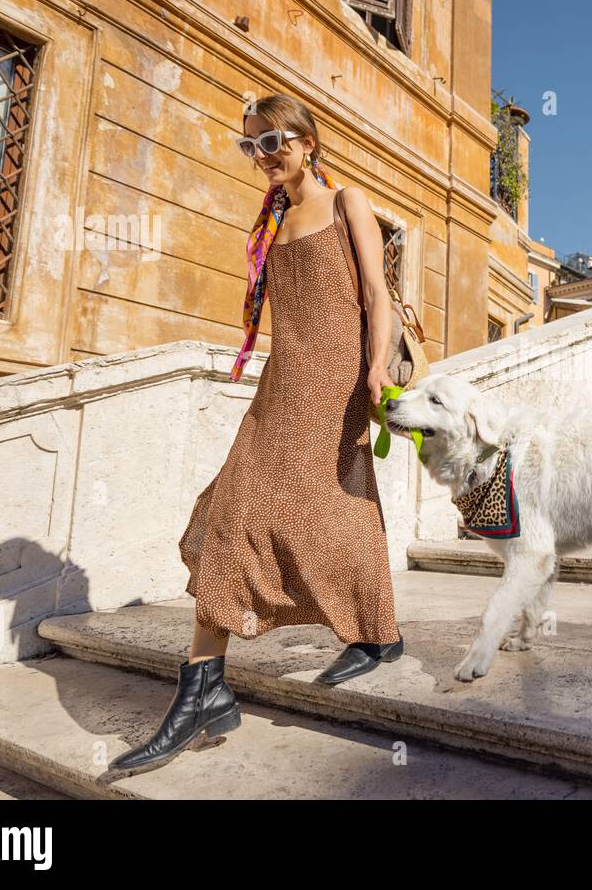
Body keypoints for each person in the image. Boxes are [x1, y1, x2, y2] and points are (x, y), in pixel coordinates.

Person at [109, 93, 405, 776]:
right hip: (283, 382)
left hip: (338, 379)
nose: (262, 156)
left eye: (273, 141)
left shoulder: (346, 201)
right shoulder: (269, 222)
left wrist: (377, 372)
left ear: (306, 141)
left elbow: (376, 294)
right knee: (244, 510)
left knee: (320, 506)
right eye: (250, 146)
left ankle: (210, 683)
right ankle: (225, 677)